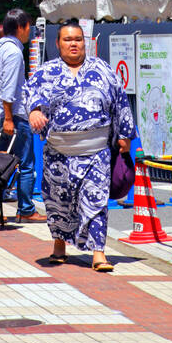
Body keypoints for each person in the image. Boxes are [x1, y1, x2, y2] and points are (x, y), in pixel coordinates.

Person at [27, 21, 134, 269]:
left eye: (78, 39)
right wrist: (34, 112)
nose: (73, 44)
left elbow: (120, 101)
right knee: (58, 202)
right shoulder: (46, 72)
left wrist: (125, 135)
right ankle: (59, 245)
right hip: (59, 153)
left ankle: (98, 253)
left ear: (84, 42)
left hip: (96, 151)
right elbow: (32, 96)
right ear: (58, 44)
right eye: (68, 39)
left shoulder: (102, 70)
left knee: (96, 199)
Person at [0, 8, 40, 222]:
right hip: (11, 117)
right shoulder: (14, 52)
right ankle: (25, 209)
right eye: (28, 27)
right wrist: (8, 118)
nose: (29, 32)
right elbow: (8, 88)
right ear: (21, 27)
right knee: (25, 164)